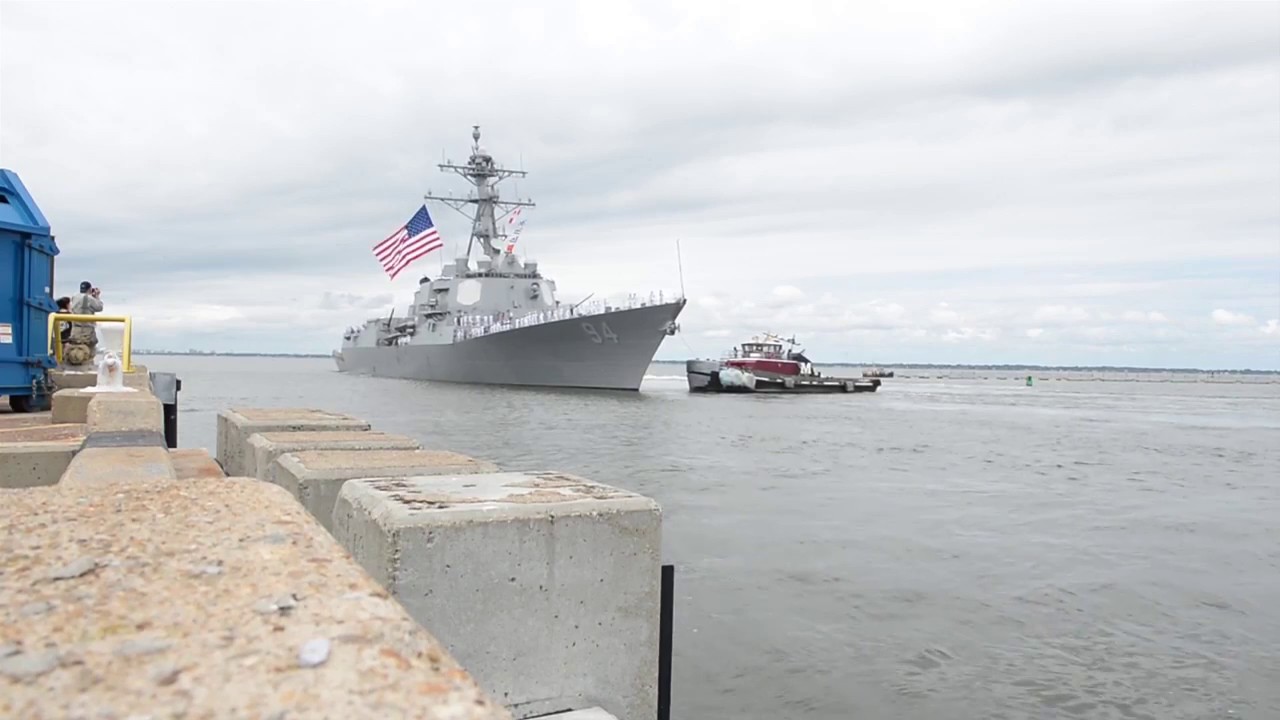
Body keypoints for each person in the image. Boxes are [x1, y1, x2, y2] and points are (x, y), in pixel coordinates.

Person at [68, 281, 103, 361]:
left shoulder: (74, 297)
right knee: (89, 350)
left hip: (75, 328)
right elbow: (99, 307)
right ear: (90, 289)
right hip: (87, 329)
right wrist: (96, 297)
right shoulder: (90, 298)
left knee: (74, 349)